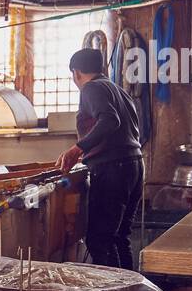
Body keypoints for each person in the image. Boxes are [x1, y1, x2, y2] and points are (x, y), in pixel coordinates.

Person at [56, 46, 144, 269]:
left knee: (100, 240)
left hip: (112, 169)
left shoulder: (91, 89)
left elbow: (109, 120)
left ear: (76, 73)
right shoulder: (118, 90)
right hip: (134, 166)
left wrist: (77, 149)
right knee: (119, 237)